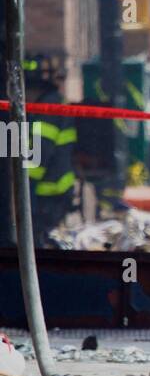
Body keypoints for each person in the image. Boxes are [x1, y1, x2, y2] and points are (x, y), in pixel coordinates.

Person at [25, 56, 77, 246]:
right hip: (52, 193)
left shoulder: (48, 108)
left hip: (48, 195)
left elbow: (37, 158)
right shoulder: (49, 104)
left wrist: (18, 188)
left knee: (40, 246)